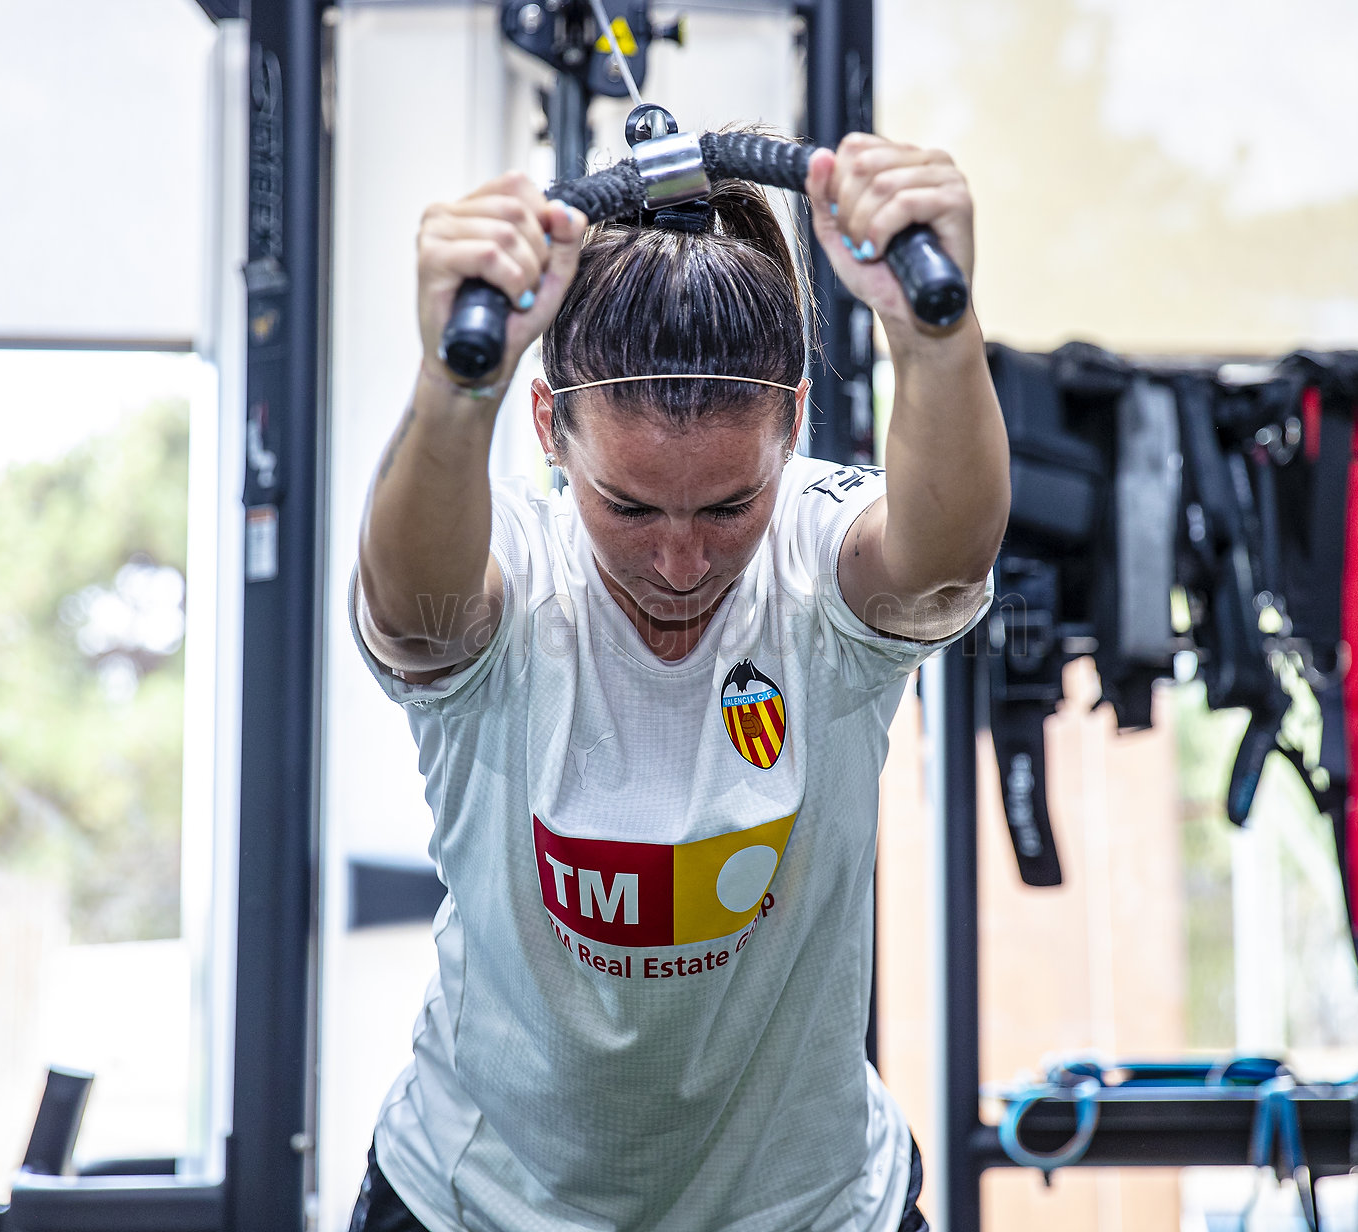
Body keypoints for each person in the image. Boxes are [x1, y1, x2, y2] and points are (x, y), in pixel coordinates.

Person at [348, 130, 1010, 1232]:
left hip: (808, 1207)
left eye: (728, 506)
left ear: (792, 421)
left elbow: (941, 570)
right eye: (631, 506)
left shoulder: (817, 553)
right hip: (480, 1202)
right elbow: (414, 613)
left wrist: (931, 331)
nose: (681, 561)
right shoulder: (513, 561)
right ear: (550, 425)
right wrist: (452, 384)